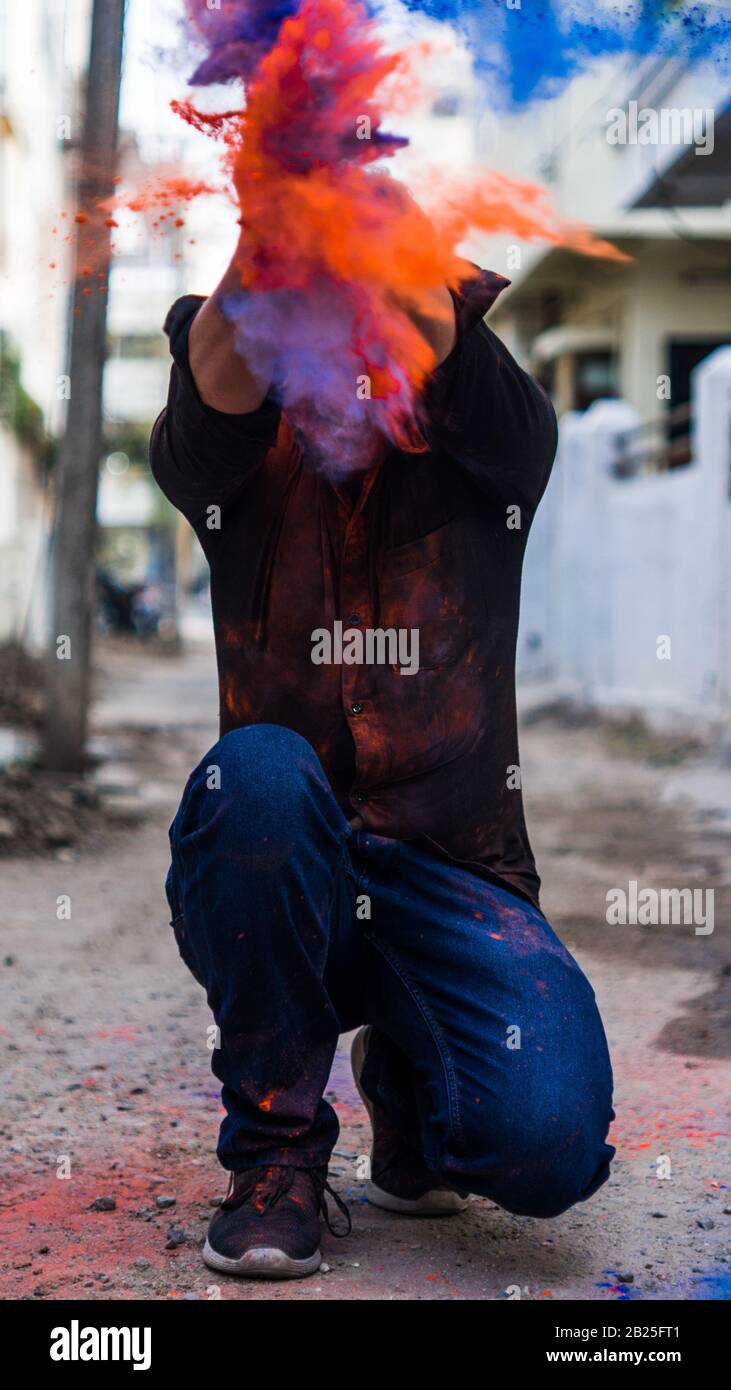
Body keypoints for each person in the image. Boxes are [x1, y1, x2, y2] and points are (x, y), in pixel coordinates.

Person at [150, 232, 615, 1280]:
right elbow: (217, 375)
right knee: (257, 774)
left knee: (545, 1146)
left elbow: (441, 330)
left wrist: (362, 209)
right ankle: (274, 1154)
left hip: (453, 873)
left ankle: (411, 1081)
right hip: (283, 869)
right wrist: (279, 212)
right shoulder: (228, 451)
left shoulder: (493, 442)